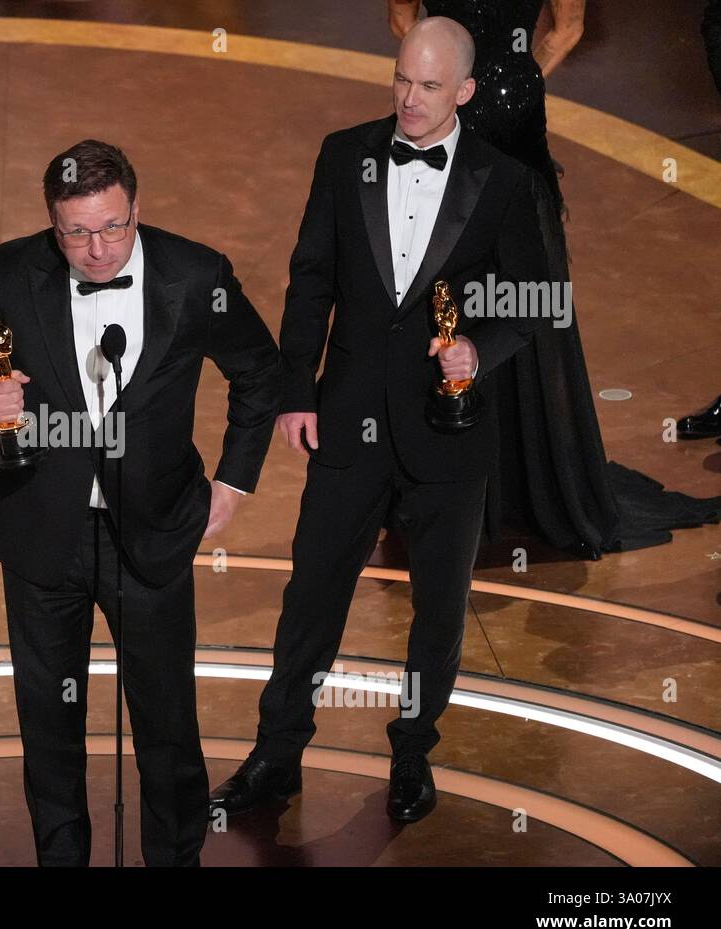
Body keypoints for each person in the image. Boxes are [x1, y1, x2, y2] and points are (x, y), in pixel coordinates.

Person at [209, 18, 549, 823]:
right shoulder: (344, 154)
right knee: (311, 599)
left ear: (464, 91)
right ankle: (275, 754)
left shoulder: (504, 180)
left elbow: (533, 300)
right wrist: (297, 388)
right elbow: (310, 279)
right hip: (346, 418)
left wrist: (477, 345)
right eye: (401, 79)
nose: (409, 99)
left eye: (429, 87)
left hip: (448, 431)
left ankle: (411, 751)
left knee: (437, 611)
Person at [0, 140, 284, 865]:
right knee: (48, 726)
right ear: (52, 224)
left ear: (136, 208)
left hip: (154, 530)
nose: (97, 250)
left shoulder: (195, 274)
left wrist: (233, 481)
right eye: (77, 233)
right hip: (41, 535)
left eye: (113, 227)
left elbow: (259, 371)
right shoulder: (12, 269)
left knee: (166, 724)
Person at [391, 0, 720, 554]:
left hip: (514, 126)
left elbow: (570, 27)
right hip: (445, 125)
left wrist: (514, 80)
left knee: (520, 296)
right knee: (442, 287)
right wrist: (439, 85)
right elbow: (403, 17)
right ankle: (444, 472)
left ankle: (526, 481)